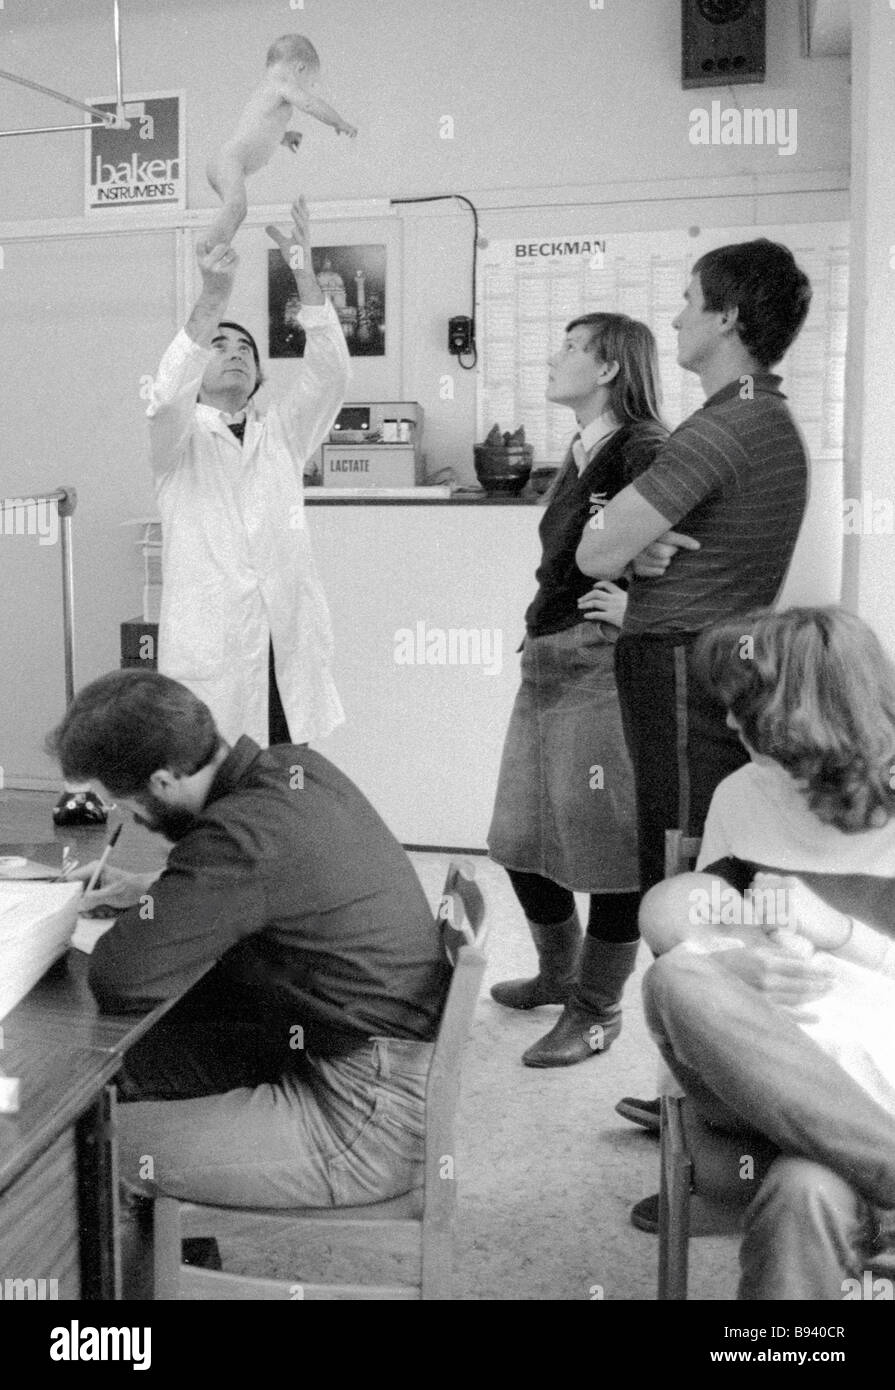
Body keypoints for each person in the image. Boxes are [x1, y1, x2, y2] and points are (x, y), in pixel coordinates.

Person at [47, 668, 451, 1239]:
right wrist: (157, 892)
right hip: (347, 1049)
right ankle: (179, 1244)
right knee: (126, 1069)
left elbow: (121, 978)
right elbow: (265, 883)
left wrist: (166, 903)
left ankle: (160, 1266)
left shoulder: (236, 839)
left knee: (87, 1148)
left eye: (125, 803)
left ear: (162, 781)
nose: (129, 818)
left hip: (366, 1116)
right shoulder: (294, 769)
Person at [571, 240, 812, 1131]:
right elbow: (624, 547)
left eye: (687, 300)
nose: (673, 318)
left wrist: (628, 546)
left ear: (727, 317)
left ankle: (706, 1109)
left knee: (680, 879)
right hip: (711, 665)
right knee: (706, 870)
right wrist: (642, 548)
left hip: (679, 666)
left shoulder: (720, 427)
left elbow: (593, 550)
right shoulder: (766, 419)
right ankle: (702, 1092)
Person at [634, 607, 895, 1298]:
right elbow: (691, 920)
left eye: (745, 708)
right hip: (775, 1079)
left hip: (876, 1080)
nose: (728, 723)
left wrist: (840, 933)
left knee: (803, 1194)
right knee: (675, 980)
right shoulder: (740, 796)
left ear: (802, 719)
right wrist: (729, 965)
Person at [487, 313, 668, 1067]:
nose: (552, 357)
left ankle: (596, 1013)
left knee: (608, 848)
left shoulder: (643, 447)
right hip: (550, 655)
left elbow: (693, 551)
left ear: (607, 368)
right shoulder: (584, 447)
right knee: (518, 836)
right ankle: (559, 975)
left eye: (569, 347)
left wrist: (639, 612)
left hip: (598, 662)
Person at [145, 196, 349, 749]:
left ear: (259, 374)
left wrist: (303, 273)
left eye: (245, 349)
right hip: (213, 654)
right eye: (219, 345)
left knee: (286, 773)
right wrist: (213, 296)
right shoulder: (176, 442)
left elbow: (331, 374)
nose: (235, 353)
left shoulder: (281, 434)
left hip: (285, 646)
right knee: (215, 782)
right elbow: (168, 393)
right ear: (199, 366)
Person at [205, 34, 356, 253]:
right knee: (236, 207)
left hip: (227, 163)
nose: (307, 89)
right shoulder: (280, 85)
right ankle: (208, 249)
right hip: (229, 160)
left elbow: (260, 129)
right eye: (309, 83)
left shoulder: (268, 94)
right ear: (300, 68)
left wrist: (284, 137)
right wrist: (338, 122)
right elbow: (310, 104)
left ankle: (217, 250)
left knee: (237, 212)